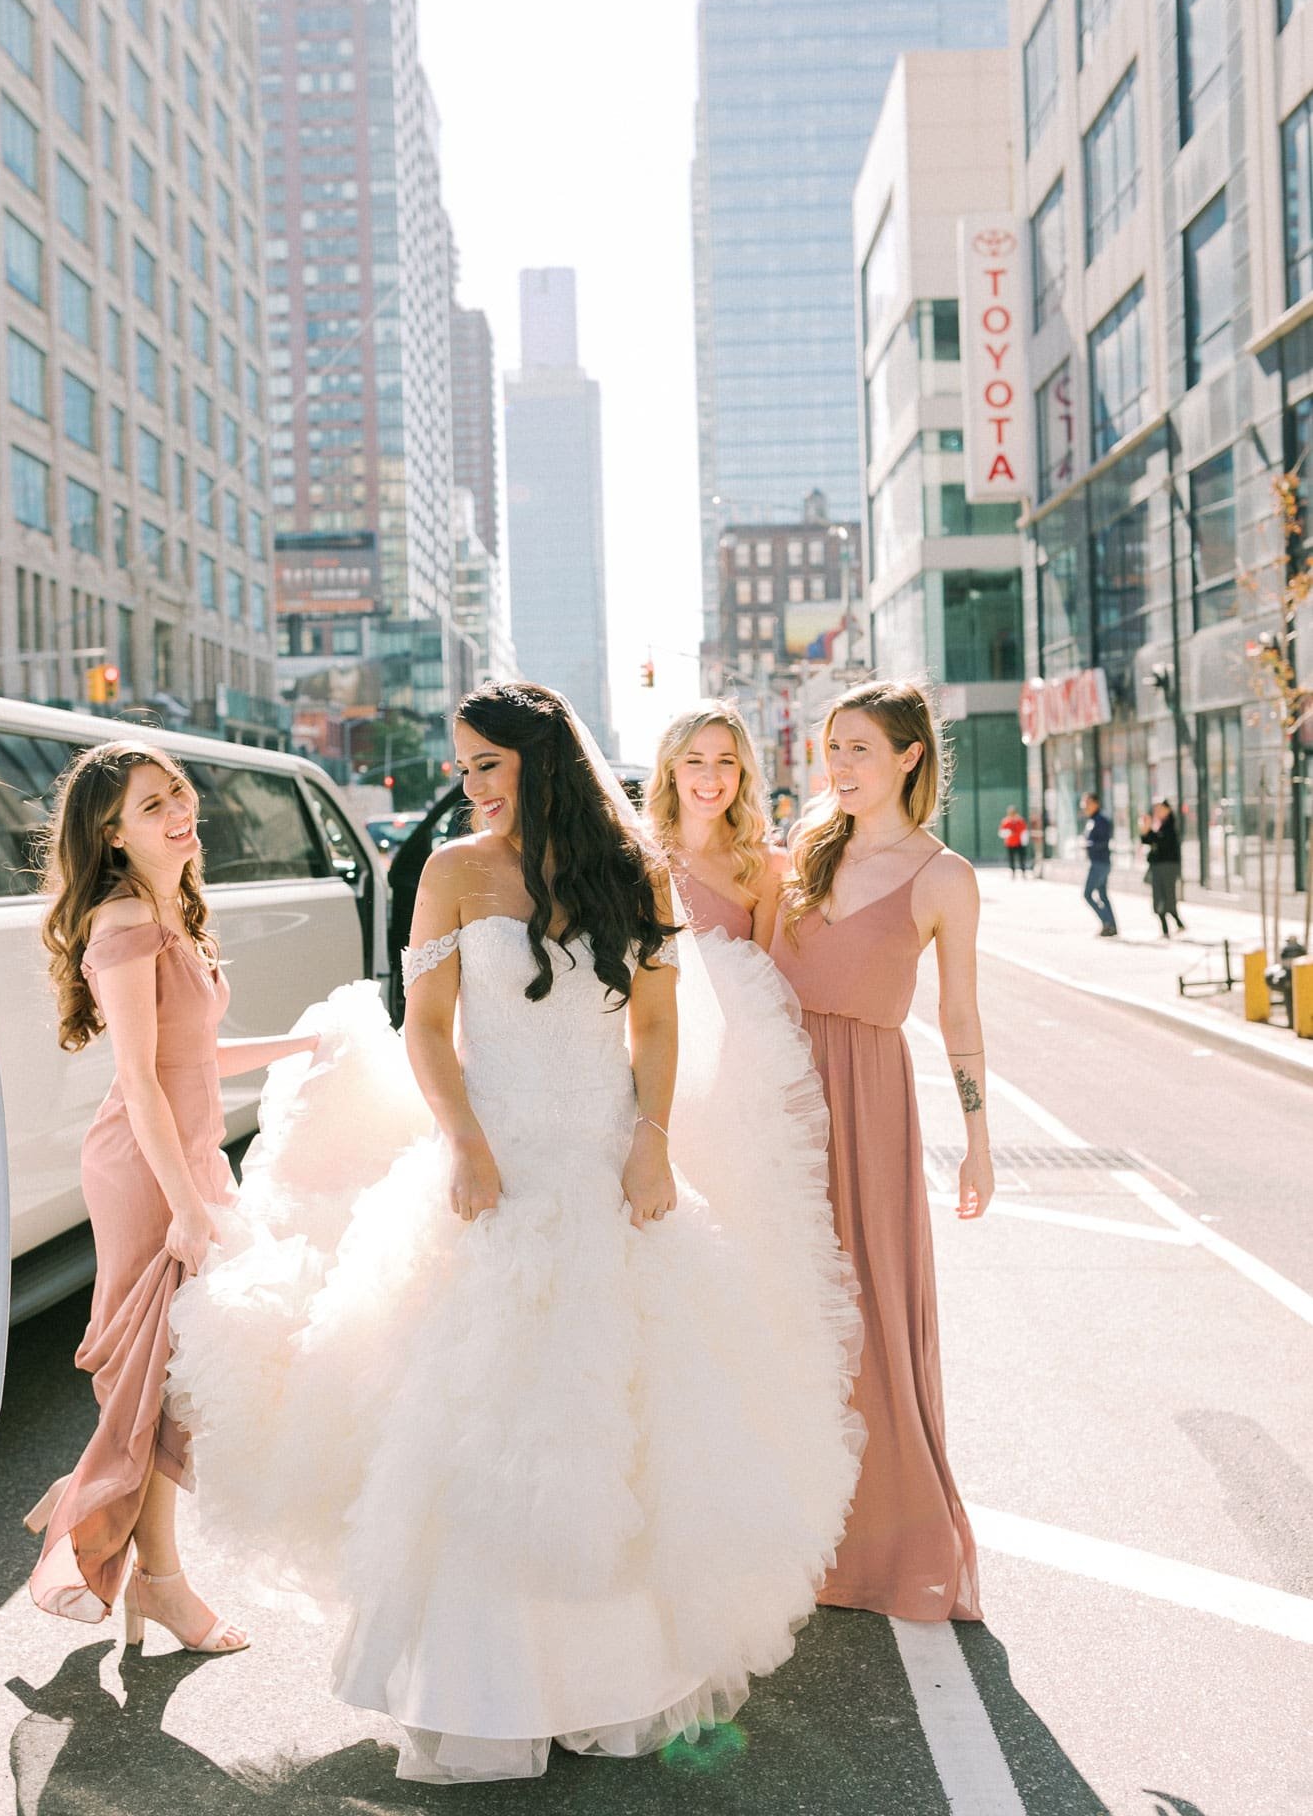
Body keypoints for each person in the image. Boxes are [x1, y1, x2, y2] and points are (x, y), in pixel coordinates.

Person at [166, 681, 862, 1785]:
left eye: (488, 763)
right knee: (478, 1417)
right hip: (495, 1166)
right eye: (466, 764)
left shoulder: (630, 870)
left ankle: (613, 1680)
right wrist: (467, 1143)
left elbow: (661, 1018)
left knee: (629, 1416)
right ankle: (483, 1689)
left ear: (544, 763)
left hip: (602, 1159)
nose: (471, 783)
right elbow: (429, 1028)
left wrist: (652, 1137)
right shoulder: (449, 870)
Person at [25, 742, 314, 1653]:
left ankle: (157, 1581)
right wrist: (186, 1203)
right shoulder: (123, 921)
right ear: (111, 834)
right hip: (148, 1172)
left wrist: (304, 1048)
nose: (179, 812)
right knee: (152, 1380)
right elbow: (140, 1080)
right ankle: (160, 1583)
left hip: (186, 1161)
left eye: (178, 794)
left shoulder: (171, 911)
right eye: (152, 806)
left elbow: (195, 1060)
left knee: (169, 1381)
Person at [771, 679, 989, 1624]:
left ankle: (886, 1543)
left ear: (909, 756)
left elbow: (960, 1018)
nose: (841, 765)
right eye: (833, 747)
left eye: (861, 747)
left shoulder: (944, 876)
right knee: (776, 1309)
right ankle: (782, 1533)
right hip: (774, 1098)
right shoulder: (802, 851)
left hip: (867, 1101)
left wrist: (979, 1143)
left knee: (870, 1311)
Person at [646, 700, 786, 946]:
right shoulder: (638, 855)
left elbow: (766, 979)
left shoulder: (765, 866)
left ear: (742, 772)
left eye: (726, 761)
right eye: (694, 761)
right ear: (671, 770)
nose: (710, 776)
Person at [1141, 800, 1186, 936]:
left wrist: (1149, 830)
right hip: (1159, 866)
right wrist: (1146, 829)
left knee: (1167, 896)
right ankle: (1170, 927)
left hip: (1167, 866)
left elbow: (1161, 842)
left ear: (1167, 809)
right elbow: (1148, 840)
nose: (1158, 812)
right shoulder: (1161, 824)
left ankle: (1171, 926)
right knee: (1160, 896)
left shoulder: (1171, 825)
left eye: (1160, 809)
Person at [1081, 791, 1117, 936]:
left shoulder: (1101, 820)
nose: (1085, 806)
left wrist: (1089, 845)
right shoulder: (1092, 820)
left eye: (1087, 803)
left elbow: (1103, 841)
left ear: (1096, 803)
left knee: (1087, 894)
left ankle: (1107, 922)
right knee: (1102, 895)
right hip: (1098, 862)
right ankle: (1111, 926)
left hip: (1100, 863)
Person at [998, 805, 1029, 877]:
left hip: (1019, 843)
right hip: (1010, 843)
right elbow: (1001, 832)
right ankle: (1013, 872)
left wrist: (1024, 842)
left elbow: (1024, 831)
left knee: (1021, 858)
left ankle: (1023, 872)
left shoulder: (1020, 821)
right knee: (1011, 859)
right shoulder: (1006, 821)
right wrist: (1007, 832)